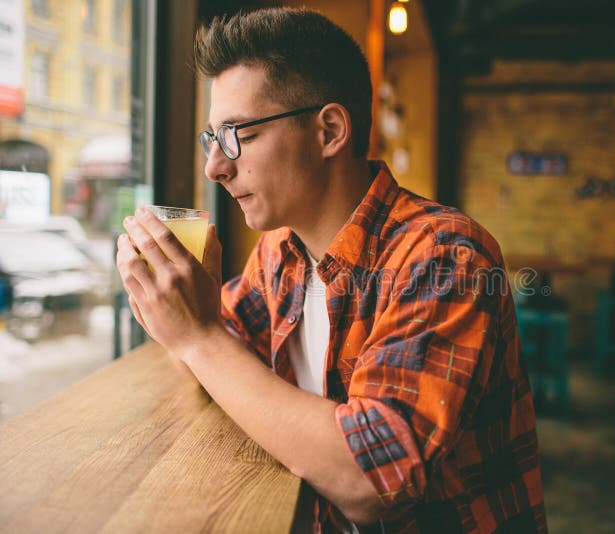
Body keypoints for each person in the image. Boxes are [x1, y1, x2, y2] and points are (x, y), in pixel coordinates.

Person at [116, 7, 546, 533]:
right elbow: (215, 364)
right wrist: (177, 308)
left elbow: (369, 481)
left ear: (330, 131)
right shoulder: (280, 252)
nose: (215, 167)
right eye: (213, 139)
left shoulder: (446, 256)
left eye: (236, 135)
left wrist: (198, 337)